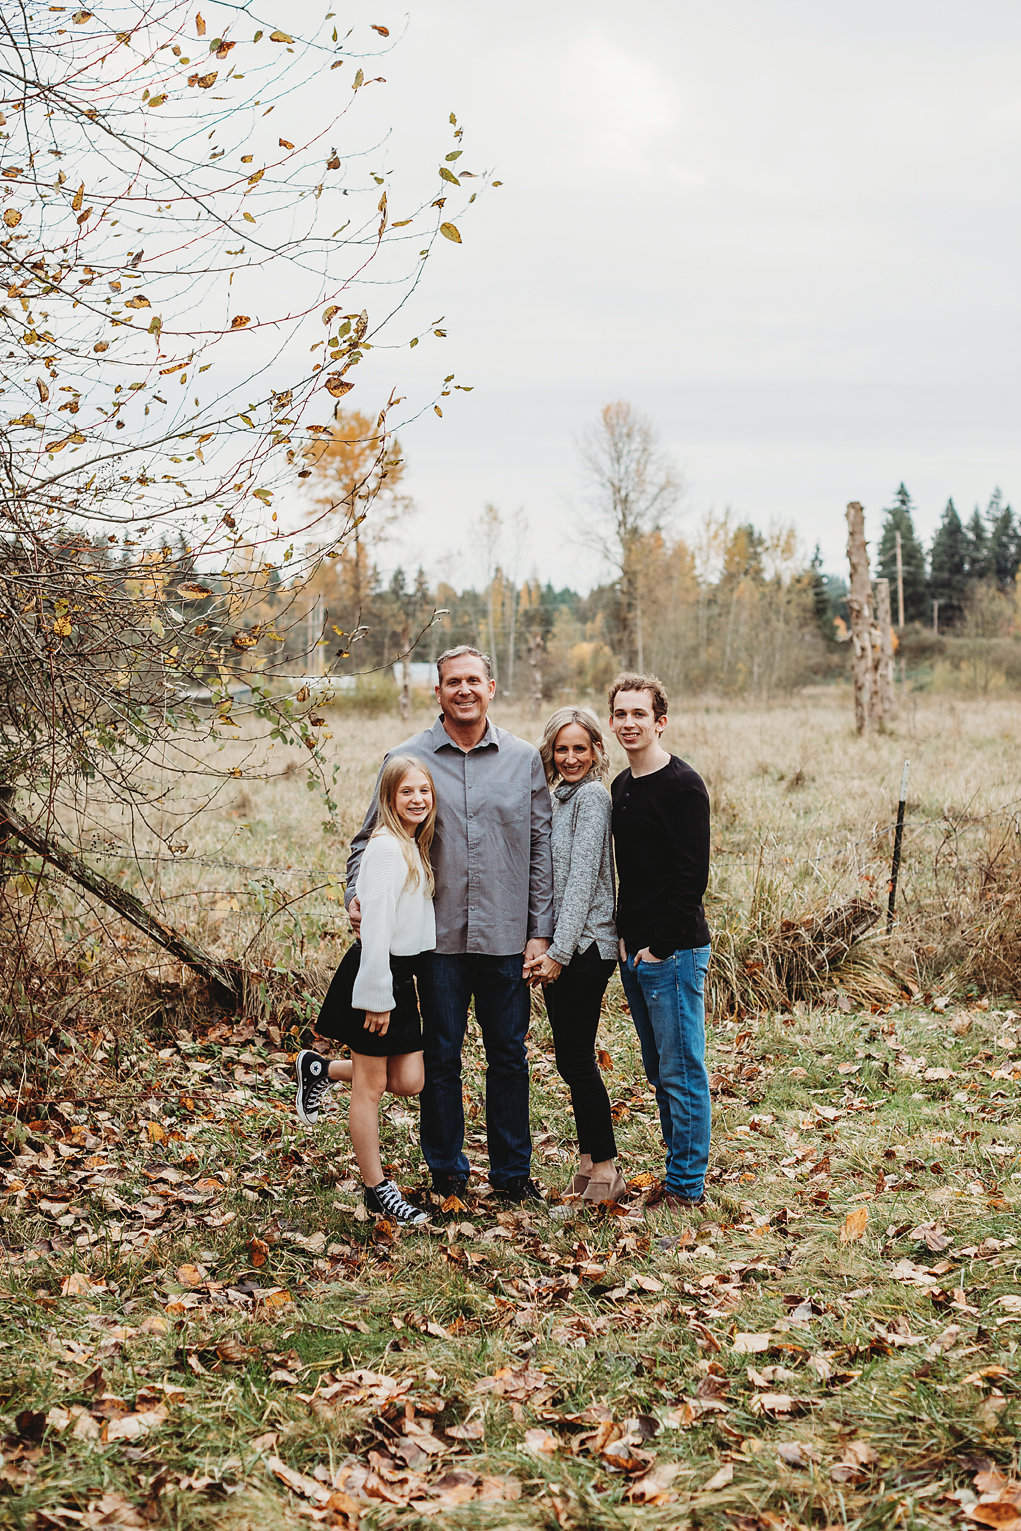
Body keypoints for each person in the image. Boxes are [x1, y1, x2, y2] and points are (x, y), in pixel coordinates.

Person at [346, 646, 553, 1205]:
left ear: (491, 687)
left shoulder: (523, 759)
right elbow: (367, 841)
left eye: (473, 681)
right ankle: (448, 1174)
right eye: (451, 682)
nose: (463, 690)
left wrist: (540, 931)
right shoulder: (407, 758)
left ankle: (512, 1177)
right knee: (441, 1056)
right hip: (437, 943)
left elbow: (541, 851)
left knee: (508, 1056)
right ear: (437, 692)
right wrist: (357, 898)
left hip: (508, 938)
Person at [294, 756, 436, 1228]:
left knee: (409, 1079)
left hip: (401, 976)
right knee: (371, 1086)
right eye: (406, 793)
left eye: (424, 791)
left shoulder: (411, 844)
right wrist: (376, 995)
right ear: (389, 799)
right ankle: (377, 1189)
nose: (417, 799)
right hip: (377, 974)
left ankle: (319, 1069)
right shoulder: (384, 850)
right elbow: (373, 929)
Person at [608, 672, 712, 1210]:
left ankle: (686, 1188)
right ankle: (678, 1175)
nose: (629, 723)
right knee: (658, 1069)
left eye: (639, 714)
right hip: (636, 952)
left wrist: (661, 947)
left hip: (674, 953)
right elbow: (631, 874)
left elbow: (692, 877)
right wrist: (626, 937)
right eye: (620, 714)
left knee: (681, 1070)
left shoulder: (683, 786)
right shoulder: (621, 787)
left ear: (660, 721)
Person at [528, 708, 625, 1204]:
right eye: (561, 749)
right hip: (562, 947)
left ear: (596, 752)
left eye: (580, 749)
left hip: (586, 946)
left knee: (578, 1059)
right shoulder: (555, 797)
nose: (570, 758)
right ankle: (588, 1161)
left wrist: (560, 951)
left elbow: (584, 880)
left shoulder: (591, 797)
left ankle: (606, 1168)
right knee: (569, 1057)